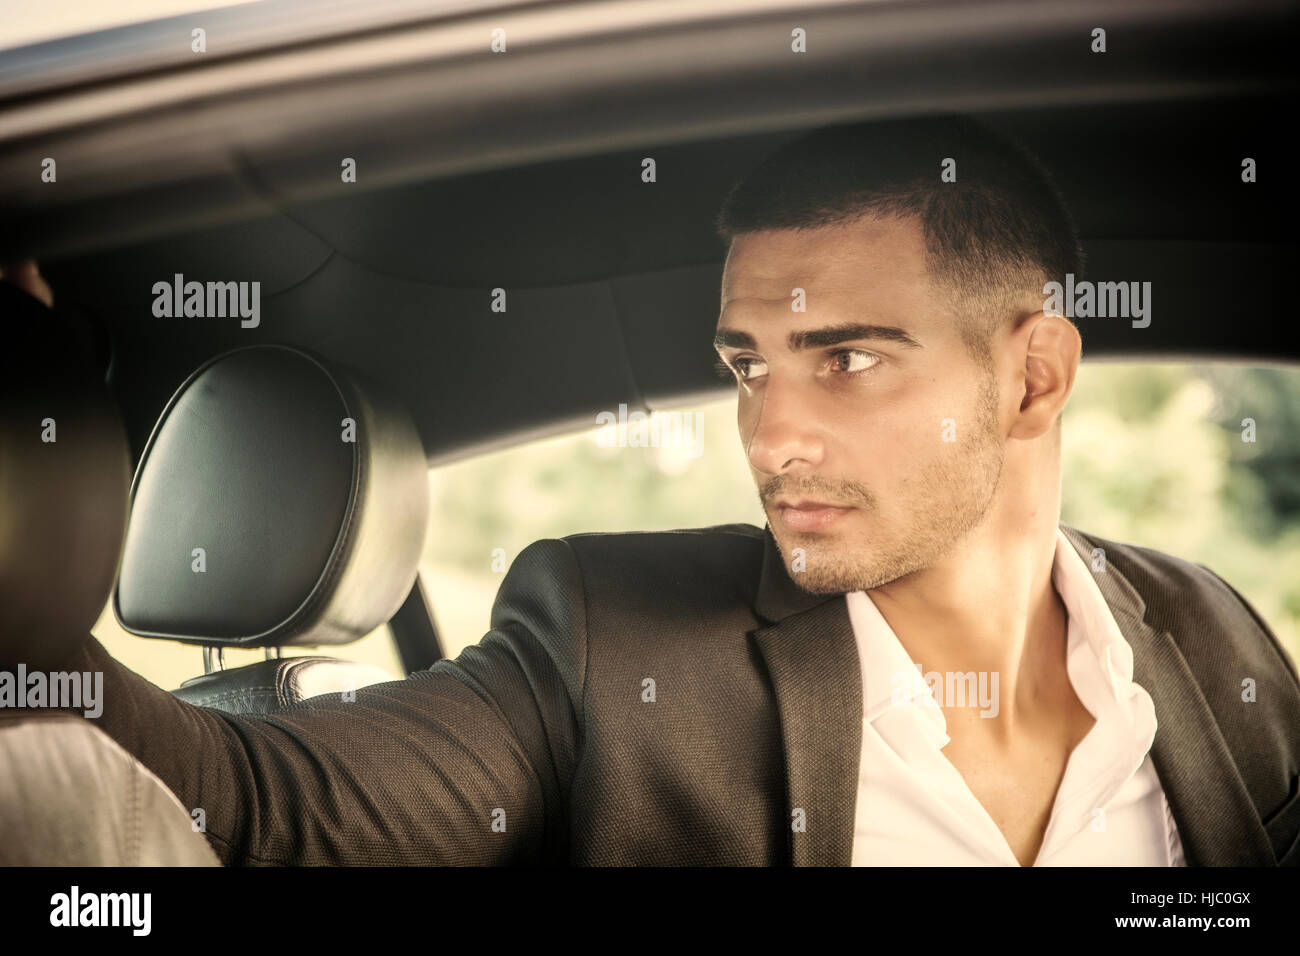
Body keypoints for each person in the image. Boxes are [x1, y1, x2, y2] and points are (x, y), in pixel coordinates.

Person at [3, 116, 1297, 866]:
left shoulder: (1211, 633)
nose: (772, 431)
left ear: (1033, 379)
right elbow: (255, 808)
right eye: (748, 365)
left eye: (845, 358)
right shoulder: (611, 636)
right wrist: (25, 609)